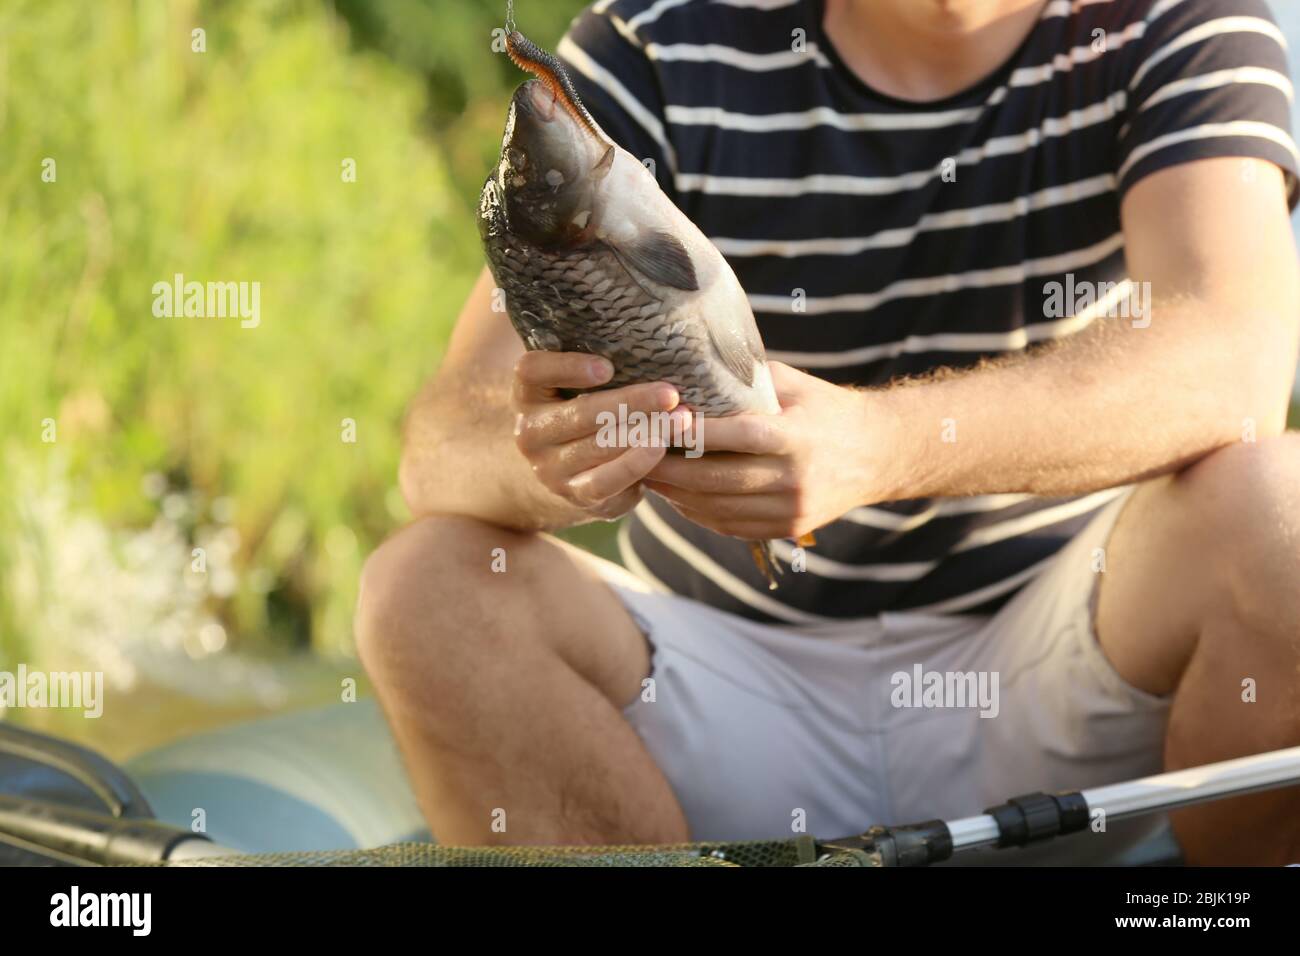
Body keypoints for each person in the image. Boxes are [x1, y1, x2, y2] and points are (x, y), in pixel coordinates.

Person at [356, 0, 1300, 864]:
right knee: (422, 589)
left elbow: (1235, 359)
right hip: (720, 691)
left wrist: (884, 447)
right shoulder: (654, 38)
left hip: (1061, 680)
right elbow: (440, 445)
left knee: (1283, 510)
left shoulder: (1181, 24)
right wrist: (549, 458)